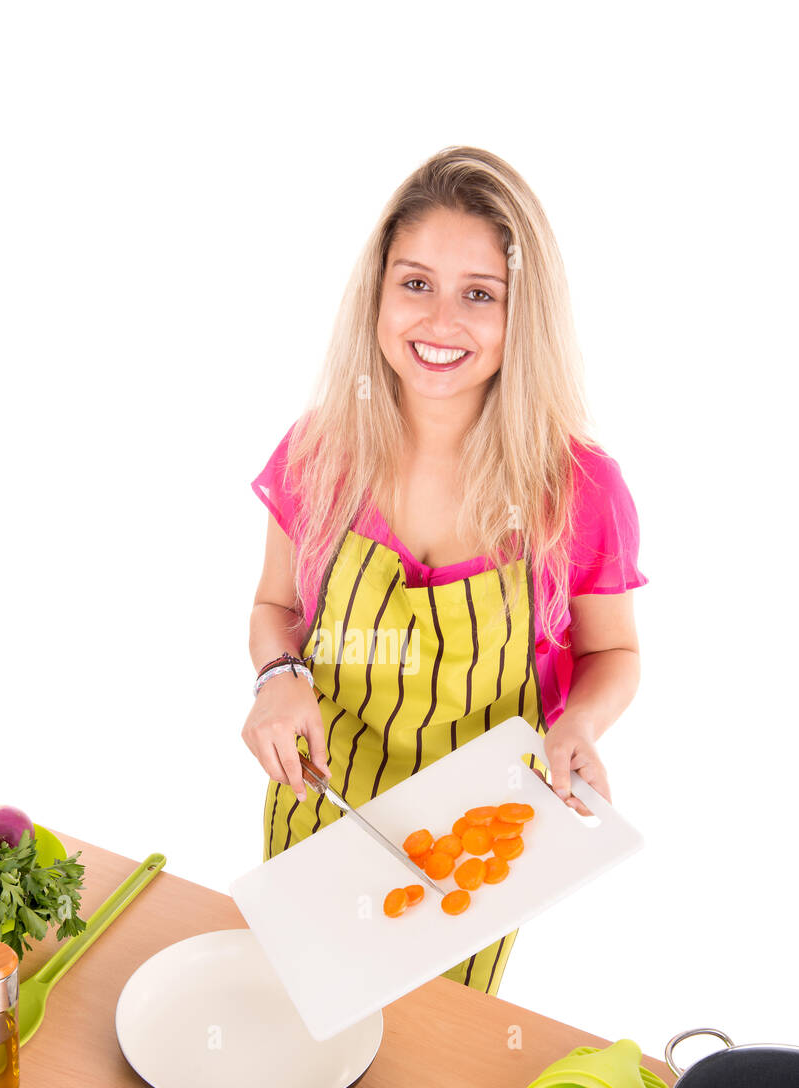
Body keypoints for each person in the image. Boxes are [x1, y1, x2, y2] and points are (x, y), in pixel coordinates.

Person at [242, 146, 647, 995]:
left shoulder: (574, 489)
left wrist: (578, 726)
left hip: (482, 837)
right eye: (415, 283)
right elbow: (275, 605)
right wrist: (278, 677)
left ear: (522, 315)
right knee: (299, 1012)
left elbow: (615, 655)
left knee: (428, 1058)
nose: (439, 321)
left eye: (480, 295)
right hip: (322, 802)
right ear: (378, 292)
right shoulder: (321, 450)